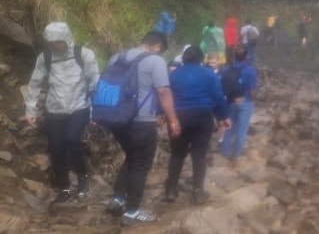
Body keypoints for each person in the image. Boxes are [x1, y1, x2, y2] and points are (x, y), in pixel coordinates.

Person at [104, 31, 180, 225]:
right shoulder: (155, 61)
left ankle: (118, 199)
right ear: (158, 47)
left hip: (116, 119)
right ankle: (132, 211)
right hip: (141, 121)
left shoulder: (117, 57)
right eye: (160, 51)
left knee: (131, 157)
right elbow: (163, 91)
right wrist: (172, 119)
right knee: (140, 163)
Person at [23, 22, 101, 204]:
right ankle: (64, 186)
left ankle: (83, 178)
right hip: (54, 109)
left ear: (66, 38)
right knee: (56, 148)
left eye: (57, 42)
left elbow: (94, 81)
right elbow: (35, 83)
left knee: (73, 139)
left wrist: (94, 110)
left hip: (79, 106)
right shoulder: (46, 57)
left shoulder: (83, 54)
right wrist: (30, 110)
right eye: (51, 42)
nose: (54, 45)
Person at [165, 46, 230, 205]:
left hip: (179, 118)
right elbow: (218, 97)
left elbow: (165, 96)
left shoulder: (173, 75)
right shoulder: (209, 74)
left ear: (184, 59)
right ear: (201, 59)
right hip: (202, 117)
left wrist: (162, 114)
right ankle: (198, 192)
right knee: (199, 155)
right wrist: (223, 116)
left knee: (177, 154)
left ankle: (171, 190)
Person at [220, 45, 258, 162]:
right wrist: (252, 99)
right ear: (246, 56)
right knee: (242, 129)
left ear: (234, 56)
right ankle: (236, 155)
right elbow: (252, 90)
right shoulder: (250, 70)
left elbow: (222, 85)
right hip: (245, 101)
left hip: (230, 101)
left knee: (229, 127)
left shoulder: (226, 68)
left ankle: (225, 153)